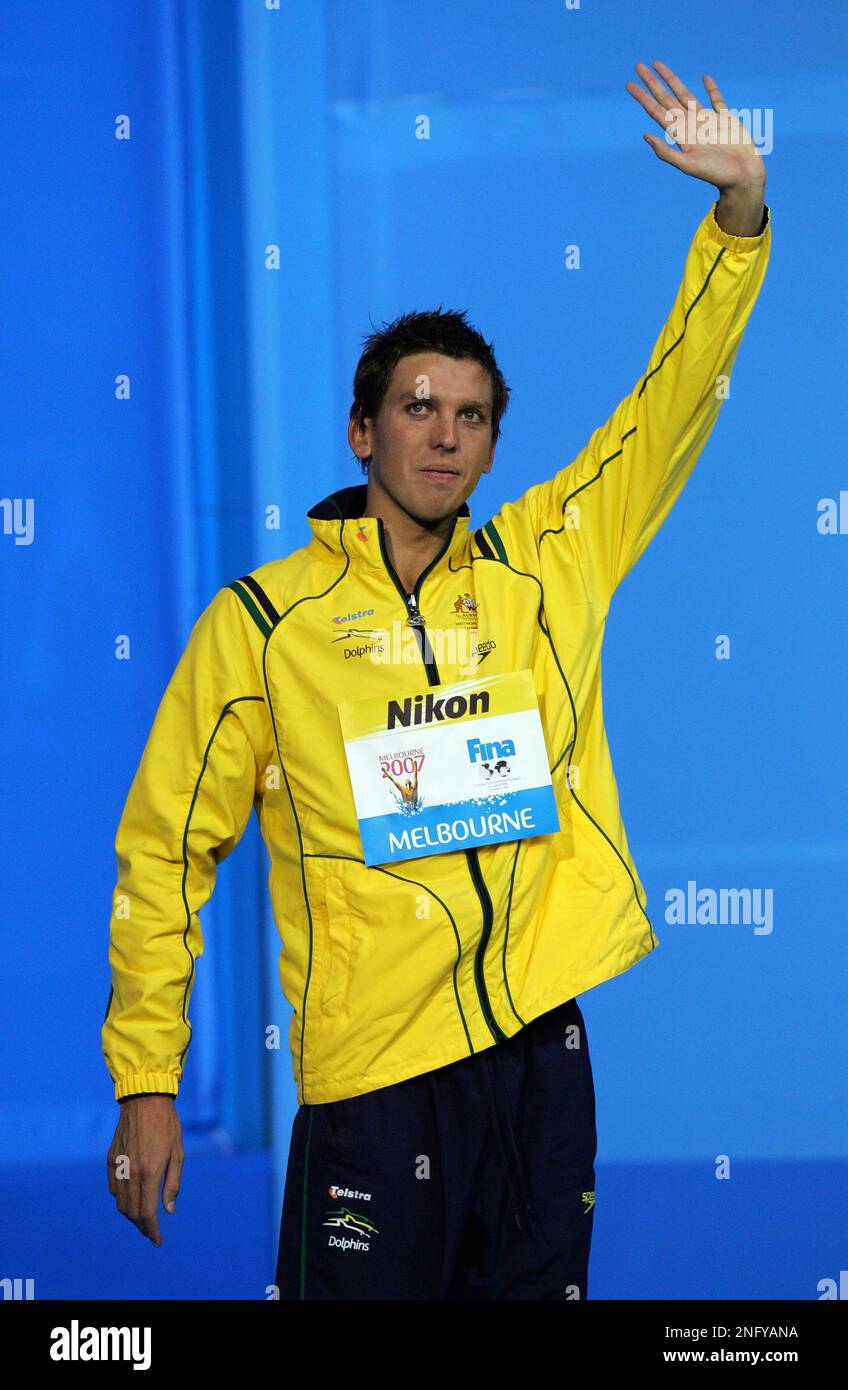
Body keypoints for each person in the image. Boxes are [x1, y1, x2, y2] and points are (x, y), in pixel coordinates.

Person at [104, 61, 770, 1299]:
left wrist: (736, 219)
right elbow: (162, 855)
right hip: (371, 1084)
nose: (444, 432)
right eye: (415, 406)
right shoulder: (261, 627)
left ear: (489, 445)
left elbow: (668, 403)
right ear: (363, 432)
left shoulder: (546, 558)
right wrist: (148, 1080)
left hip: (535, 1058)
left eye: (469, 414)